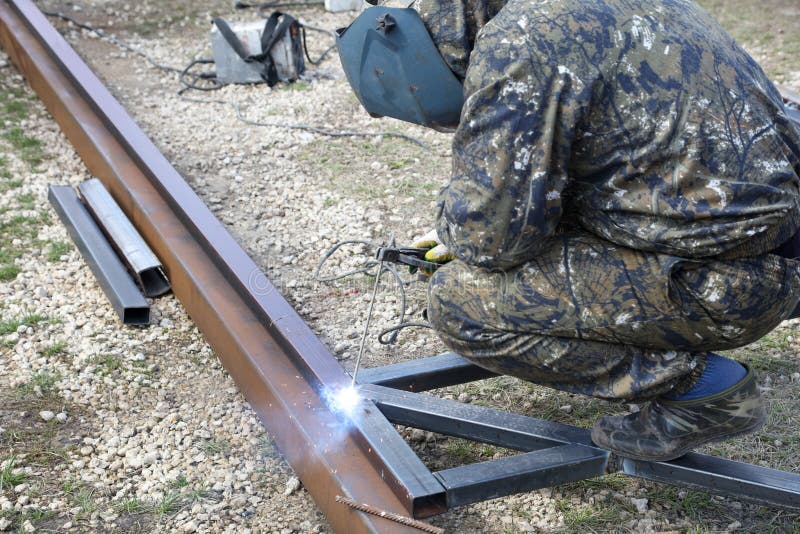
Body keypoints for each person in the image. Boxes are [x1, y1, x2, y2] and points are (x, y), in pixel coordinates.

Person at [336, 0, 800, 461]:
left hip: (727, 286)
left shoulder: (519, 39)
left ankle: (703, 391)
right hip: (780, 251)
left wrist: (459, 233)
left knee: (459, 303)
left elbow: (489, 239)